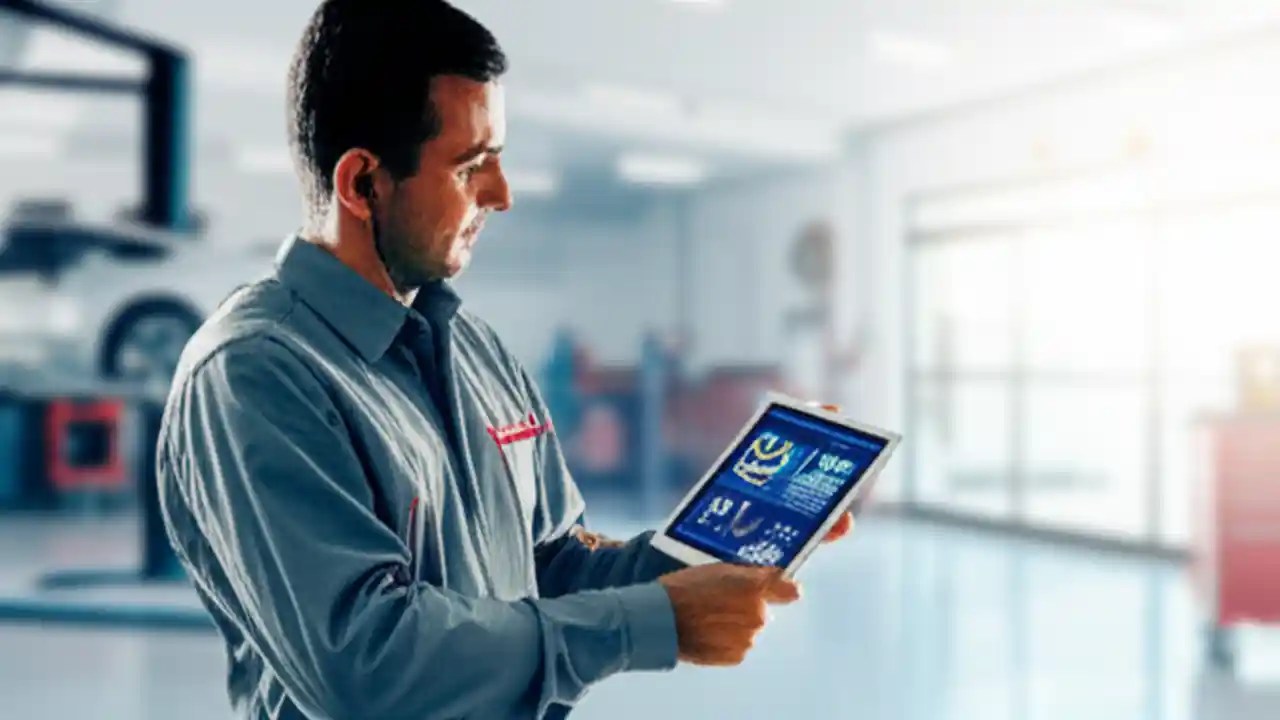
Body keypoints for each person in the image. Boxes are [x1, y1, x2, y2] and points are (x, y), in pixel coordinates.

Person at [156, 1, 853, 718]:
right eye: (471, 166)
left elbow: (550, 565)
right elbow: (369, 663)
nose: (502, 193)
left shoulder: (472, 348)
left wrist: (720, 546)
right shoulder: (253, 374)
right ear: (362, 183)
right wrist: (653, 622)